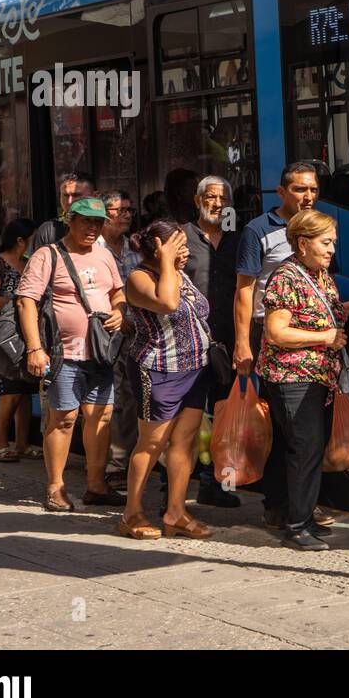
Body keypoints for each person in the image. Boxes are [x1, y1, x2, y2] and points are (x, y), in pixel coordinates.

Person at [256, 210, 349, 551]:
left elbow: (322, 311)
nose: (331, 250)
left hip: (317, 377)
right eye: (325, 243)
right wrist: (326, 338)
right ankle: (297, 527)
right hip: (293, 377)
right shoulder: (286, 277)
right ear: (302, 243)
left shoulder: (318, 274)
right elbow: (277, 331)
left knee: (300, 447)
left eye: (333, 243)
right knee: (305, 449)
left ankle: (294, 515)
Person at [16, 197, 127, 513]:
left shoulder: (104, 256)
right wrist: (35, 349)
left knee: (100, 418)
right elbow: (26, 302)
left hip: (101, 353)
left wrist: (119, 311)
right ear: (70, 220)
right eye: (86, 221)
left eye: (98, 222)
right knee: (63, 419)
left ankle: (96, 486)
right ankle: (56, 488)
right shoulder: (47, 255)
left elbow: (117, 293)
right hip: (63, 355)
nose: (93, 228)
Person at [233, 160, 322, 530]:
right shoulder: (258, 230)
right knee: (280, 427)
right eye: (301, 189)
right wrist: (242, 344)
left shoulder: (318, 227)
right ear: (282, 192)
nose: (308, 196)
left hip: (311, 340)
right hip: (268, 334)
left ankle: (300, 507)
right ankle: (279, 505)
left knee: (304, 430)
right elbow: (244, 290)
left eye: (313, 189)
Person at [118, 220, 214, 541]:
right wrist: (168, 262)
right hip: (159, 370)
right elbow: (168, 303)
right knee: (151, 443)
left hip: (194, 369)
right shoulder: (138, 278)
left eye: (185, 245)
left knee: (184, 442)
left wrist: (172, 263)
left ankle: (176, 513)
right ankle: (131, 512)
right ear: (158, 248)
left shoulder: (178, 273)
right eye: (178, 245)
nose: (185, 252)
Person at [184, 175, 241, 508]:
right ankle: (171, 491)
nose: (217, 204)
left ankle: (216, 485)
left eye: (223, 199)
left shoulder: (239, 240)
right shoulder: (182, 237)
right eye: (210, 197)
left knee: (224, 417)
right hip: (190, 343)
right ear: (197, 201)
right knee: (186, 418)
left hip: (230, 343)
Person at [0, 218, 40, 463]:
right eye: (33, 239)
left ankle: (23, 443)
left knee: (25, 390)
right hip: (1, 334)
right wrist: (16, 305)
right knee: (9, 392)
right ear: (20, 241)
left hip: (25, 331)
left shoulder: (29, 263)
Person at [97, 189, 142, 492]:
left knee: (130, 401)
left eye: (129, 209)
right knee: (108, 404)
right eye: (119, 210)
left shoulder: (135, 249)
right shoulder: (91, 250)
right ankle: (111, 466)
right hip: (103, 338)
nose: (126, 214)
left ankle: (124, 462)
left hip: (136, 337)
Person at [28, 172, 93, 254]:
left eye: (76, 195)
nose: (69, 201)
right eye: (65, 195)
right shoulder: (48, 230)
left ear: (94, 195)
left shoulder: (106, 225)